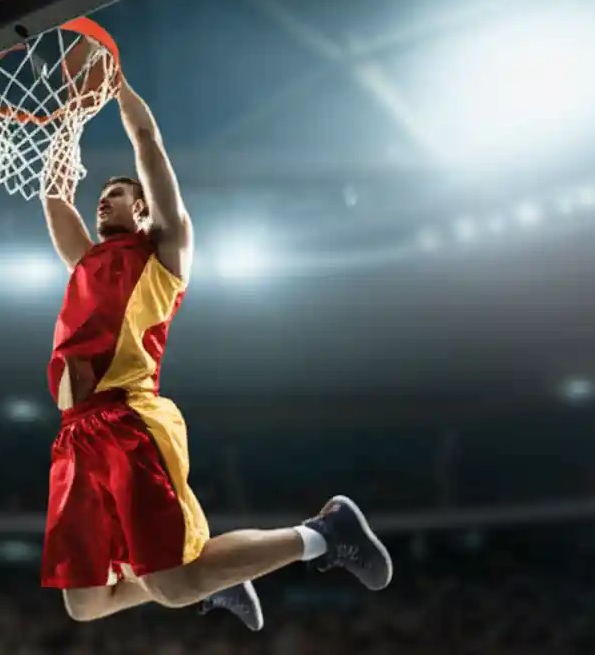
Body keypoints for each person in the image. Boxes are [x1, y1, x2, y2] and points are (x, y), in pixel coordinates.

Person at [39, 72, 392, 627]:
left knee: (174, 583)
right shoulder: (85, 262)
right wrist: (63, 123)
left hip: (125, 421)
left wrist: (115, 86)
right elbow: (54, 196)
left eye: (117, 194)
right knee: (84, 603)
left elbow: (147, 142)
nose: (103, 200)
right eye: (101, 196)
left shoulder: (164, 252)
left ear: (141, 208)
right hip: (74, 435)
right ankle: (220, 577)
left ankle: (324, 533)